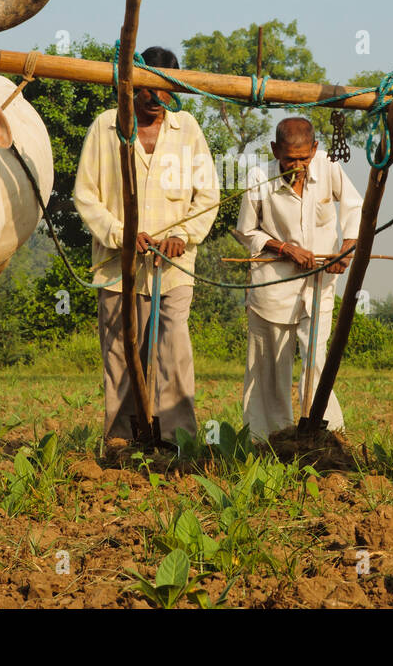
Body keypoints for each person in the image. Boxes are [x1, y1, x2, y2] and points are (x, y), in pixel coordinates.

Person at [73, 46, 220, 443]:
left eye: (164, 92)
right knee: (120, 352)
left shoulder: (187, 129)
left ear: (174, 91)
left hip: (174, 269)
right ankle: (122, 438)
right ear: (132, 86)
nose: (155, 100)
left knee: (173, 349)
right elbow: (85, 196)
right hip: (116, 267)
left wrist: (182, 236)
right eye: (147, 90)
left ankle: (179, 439)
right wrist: (123, 235)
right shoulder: (106, 126)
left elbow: (207, 196)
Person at [234, 116, 362, 439]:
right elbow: (246, 231)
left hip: (319, 284)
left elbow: (355, 207)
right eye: (290, 158)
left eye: (304, 158)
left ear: (315, 149)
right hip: (273, 286)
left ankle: (326, 435)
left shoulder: (328, 167)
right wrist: (285, 249)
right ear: (275, 150)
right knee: (270, 369)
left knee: (316, 362)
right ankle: (270, 439)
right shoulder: (259, 177)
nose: (298, 166)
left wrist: (346, 250)